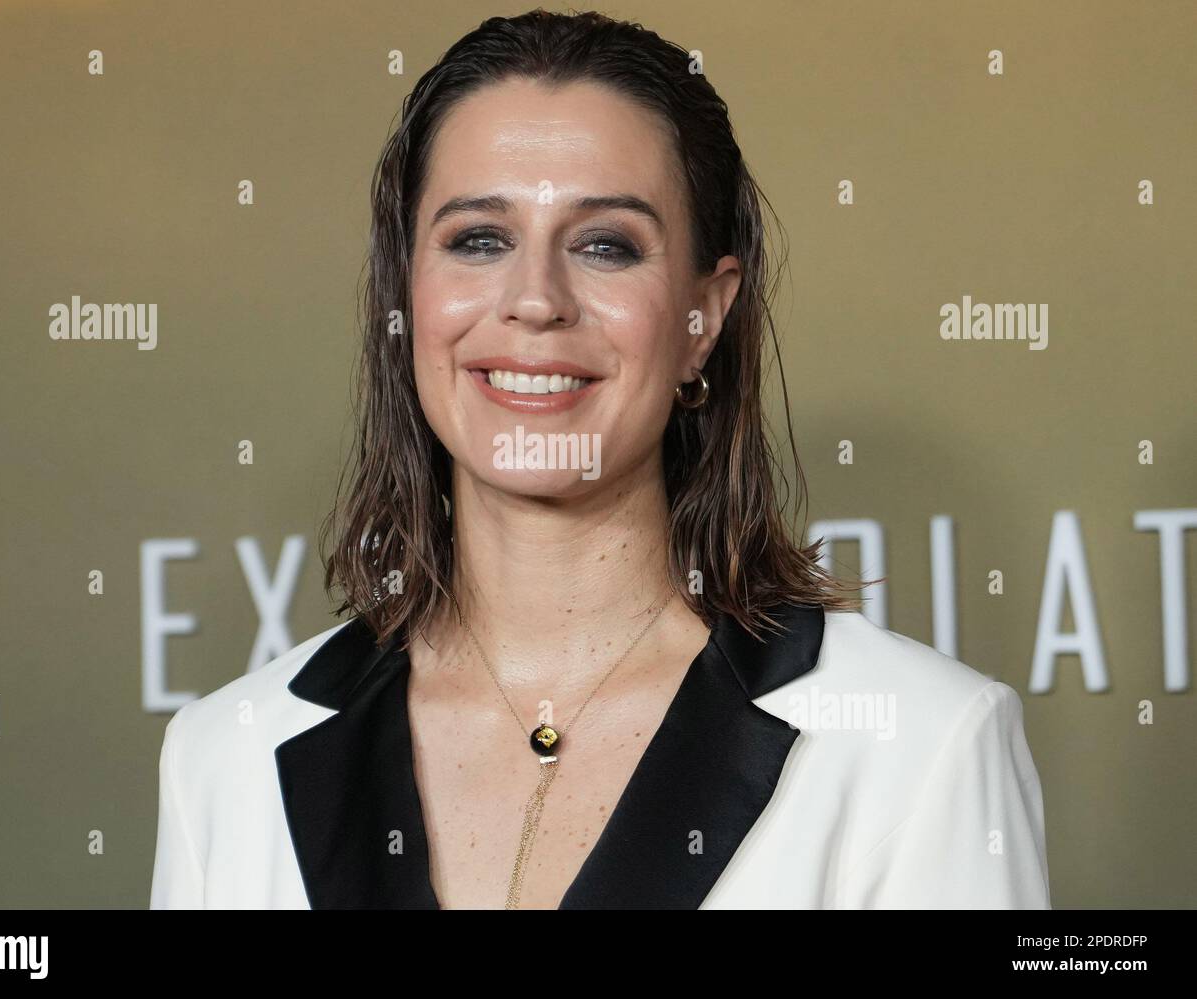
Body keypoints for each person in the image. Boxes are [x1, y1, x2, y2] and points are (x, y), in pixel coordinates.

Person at [151, 8, 1050, 909]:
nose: (535, 300)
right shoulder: (224, 759)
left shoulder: (921, 747)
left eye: (605, 245)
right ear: (407, 295)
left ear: (705, 316)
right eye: (478, 239)